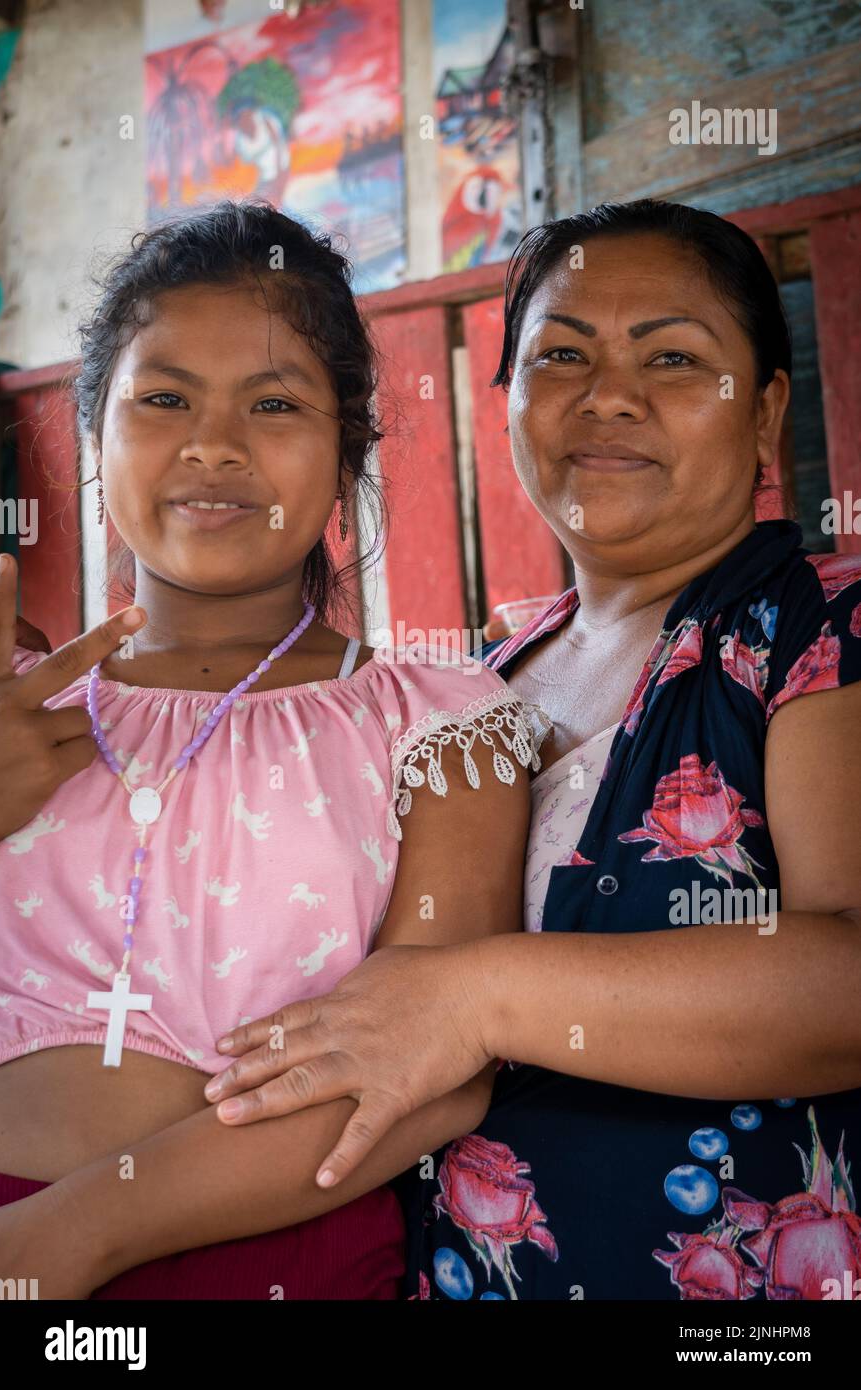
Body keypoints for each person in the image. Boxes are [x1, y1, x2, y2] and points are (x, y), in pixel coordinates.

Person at [201, 199, 861, 1301]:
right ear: (507, 402)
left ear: (761, 416)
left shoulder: (815, 629)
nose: (608, 395)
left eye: (673, 356)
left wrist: (473, 997)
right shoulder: (460, 689)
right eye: (561, 354)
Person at [0, 199, 545, 1299]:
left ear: (347, 457)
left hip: (276, 1257)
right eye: (162, 398)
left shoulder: (438, 727)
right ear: (93, 437)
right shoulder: (13, 710)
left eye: (275, 402)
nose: (213, 443)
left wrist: (71, 1234)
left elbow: (435, 1070)